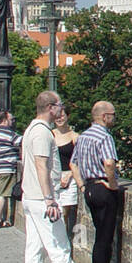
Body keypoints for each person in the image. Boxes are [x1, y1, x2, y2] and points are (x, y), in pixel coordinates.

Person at [20, 92, 99, 263]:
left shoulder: (30, 130)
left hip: (31, 197)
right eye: (60, 106)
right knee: (59, 248)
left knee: (34, 251)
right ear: (51, 107)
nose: (62, 111)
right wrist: (49, 199)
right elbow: (41, 166)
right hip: (41, 199)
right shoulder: (42, 133)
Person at [73, 100, 121, 263]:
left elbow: (73, 164)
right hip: (103, 189)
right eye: (113, 115)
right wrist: (113, 184)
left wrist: (83, 186)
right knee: (104, 237)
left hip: (90, 189)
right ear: (104, 116)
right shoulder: (104, 136)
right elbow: (109, 162)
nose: (114, 118)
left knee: (100, 235)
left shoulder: (83, 136)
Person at [52, 104, 80, 244]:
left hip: (70, 178)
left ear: (67, 116)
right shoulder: (50, 135)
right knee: (54, 213)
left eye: (62, 115)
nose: (59, 118)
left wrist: (69, 175)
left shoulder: (75, 136)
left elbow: (79, 160)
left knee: (65, 214)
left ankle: (63, 245)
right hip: (54, 177)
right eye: (57, 116)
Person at [0, 109, 20, 228]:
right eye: (11, 119)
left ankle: (0, 218)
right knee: (3, 194)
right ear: (5, 120)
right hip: (6, 167)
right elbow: (21, 141)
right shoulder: (9, 133)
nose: (12, 122)